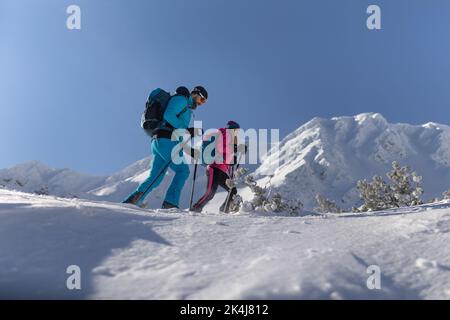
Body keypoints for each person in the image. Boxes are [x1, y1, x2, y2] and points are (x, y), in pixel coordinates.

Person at [123, 86, 208, 208]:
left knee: (155, 177)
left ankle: (133, 200)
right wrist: (187, 130)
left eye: (203, 102)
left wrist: (190, 143)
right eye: (202, 99)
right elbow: (168, 115)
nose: (201, 103)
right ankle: (170, 203)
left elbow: (178, 131)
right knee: (183, 171)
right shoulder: (182, 100)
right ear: (196, 94)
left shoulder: (186, 107)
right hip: (166, 140)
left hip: (161, 141)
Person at [191, 120, 246, 213]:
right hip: (214, 168)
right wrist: (235, 148)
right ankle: (195, 208)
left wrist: (233, 159)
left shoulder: (232, 140)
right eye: (236, 130)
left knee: (232, 190)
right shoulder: (224, 133)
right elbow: (221, 147)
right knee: (210, 193)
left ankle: (224, 209)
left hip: (221, 171)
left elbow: (226, 156)